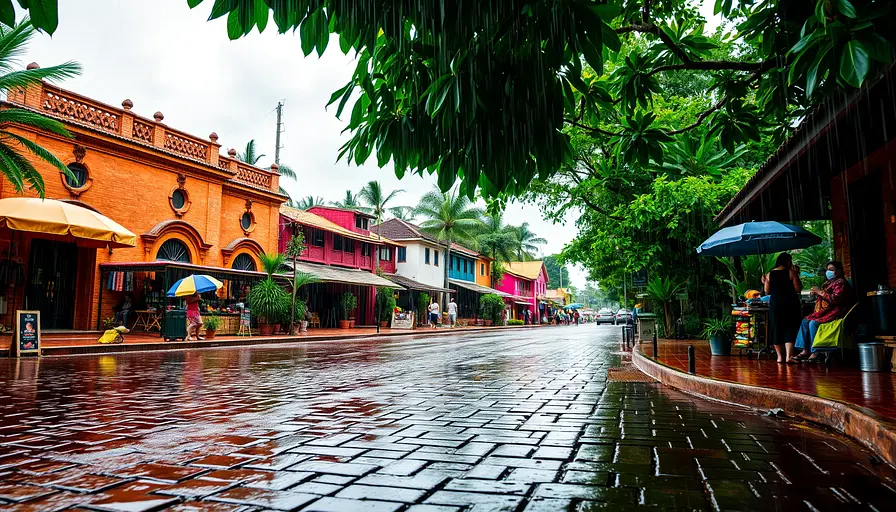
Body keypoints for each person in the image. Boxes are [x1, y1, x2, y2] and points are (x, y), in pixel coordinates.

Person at [794, 261, 854, 362]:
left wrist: (820, 292)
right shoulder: (827, 283)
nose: (828, 272)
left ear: (838, 271)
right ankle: (805, 349)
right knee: (805, 321)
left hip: (835, 311)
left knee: (813, 323)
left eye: (831, 270)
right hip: (824, 311)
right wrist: (815, 293)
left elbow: (835, 299)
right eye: (828, 270)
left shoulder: (841, 283)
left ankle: (816, 352)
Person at [762, 253, 802, 363]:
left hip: (776, 303)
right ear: (788, 261)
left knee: (776, 327)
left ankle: (779, 356)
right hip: (790, 303)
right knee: (790, 327)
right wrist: (797, 274)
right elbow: (798, 288)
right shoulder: (791, 272)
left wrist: (764, 281)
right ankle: (789, 356)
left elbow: (767, 291)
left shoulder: (770, 274)